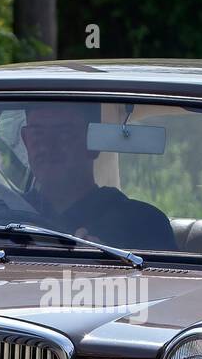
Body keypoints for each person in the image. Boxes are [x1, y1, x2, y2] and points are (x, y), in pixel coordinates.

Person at [19, 103, 176, 251]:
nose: (47, 146)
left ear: (93, 143)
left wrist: (107, 262)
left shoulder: (144, 224)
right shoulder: (8, 216)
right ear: (26, 141)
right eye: (37, 134)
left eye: (64, 133)